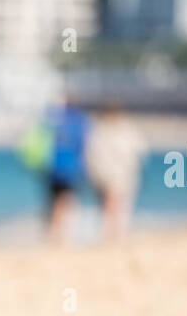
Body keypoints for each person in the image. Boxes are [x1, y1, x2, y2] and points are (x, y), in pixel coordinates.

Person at [84, 102, 146, 243]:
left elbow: (90, 154)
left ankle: (112, 234)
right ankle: (113, 234)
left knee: (111, 206)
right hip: (114, 174)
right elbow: (139, 152)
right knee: (115, 206)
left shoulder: (99, 130)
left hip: (110, 174)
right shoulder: (122, 130)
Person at [41, 99, 89, 244]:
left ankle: (53, 233)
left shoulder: (54, 121)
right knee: (67, 201)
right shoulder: (80, 122)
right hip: (70, 168)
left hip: (52, 167)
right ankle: (63, 235)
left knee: (54, 202)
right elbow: (83, 147)